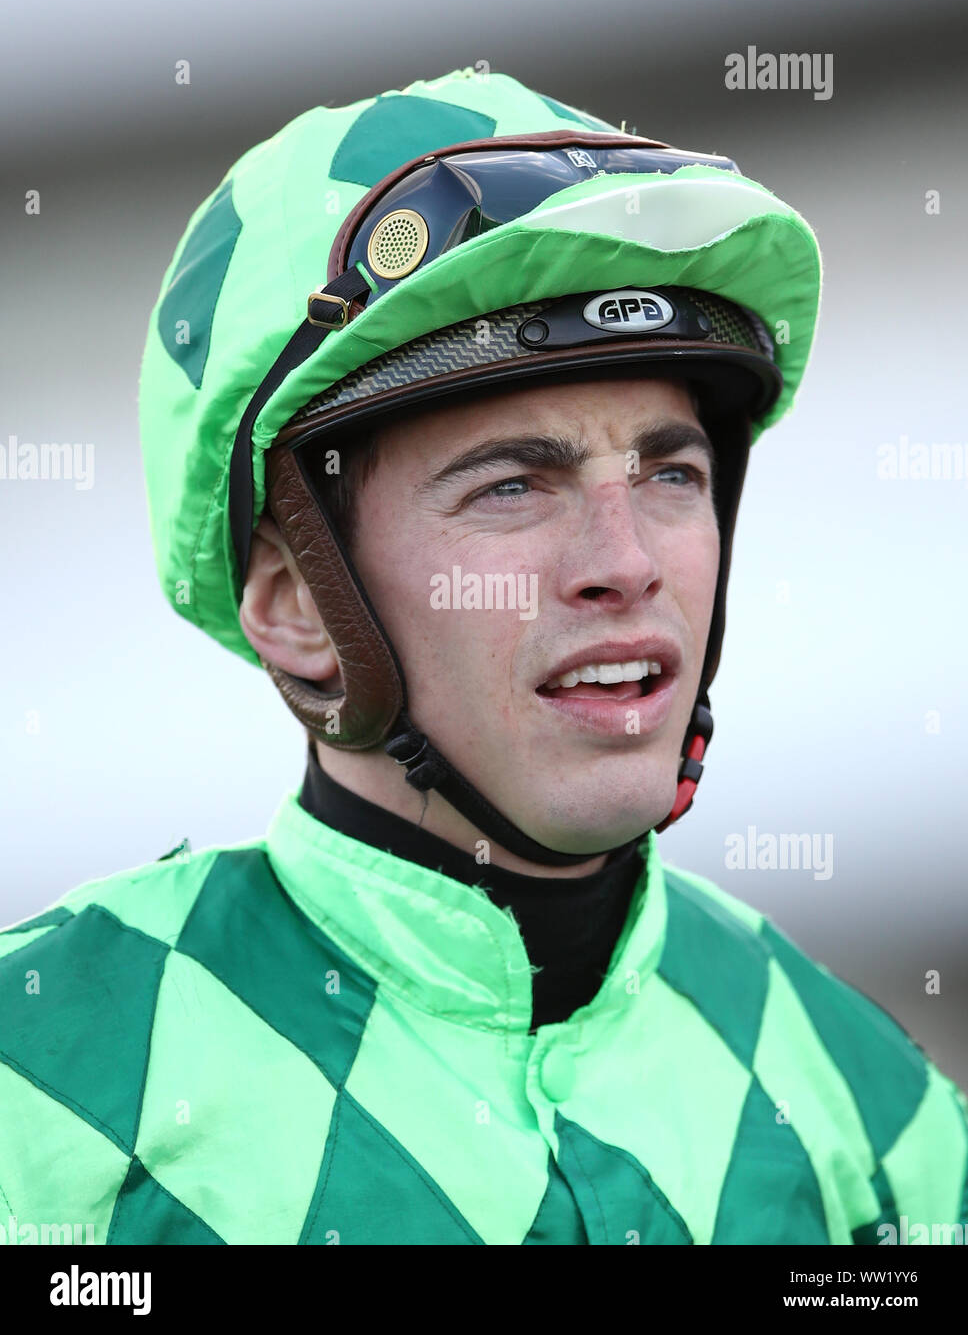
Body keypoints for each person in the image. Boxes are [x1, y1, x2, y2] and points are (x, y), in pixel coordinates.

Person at [1, 68, 965, 1247]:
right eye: (512, 486)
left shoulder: (879, 1114)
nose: (624, 562)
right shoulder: (38, 1084)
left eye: (669, 473)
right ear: (298, 603)